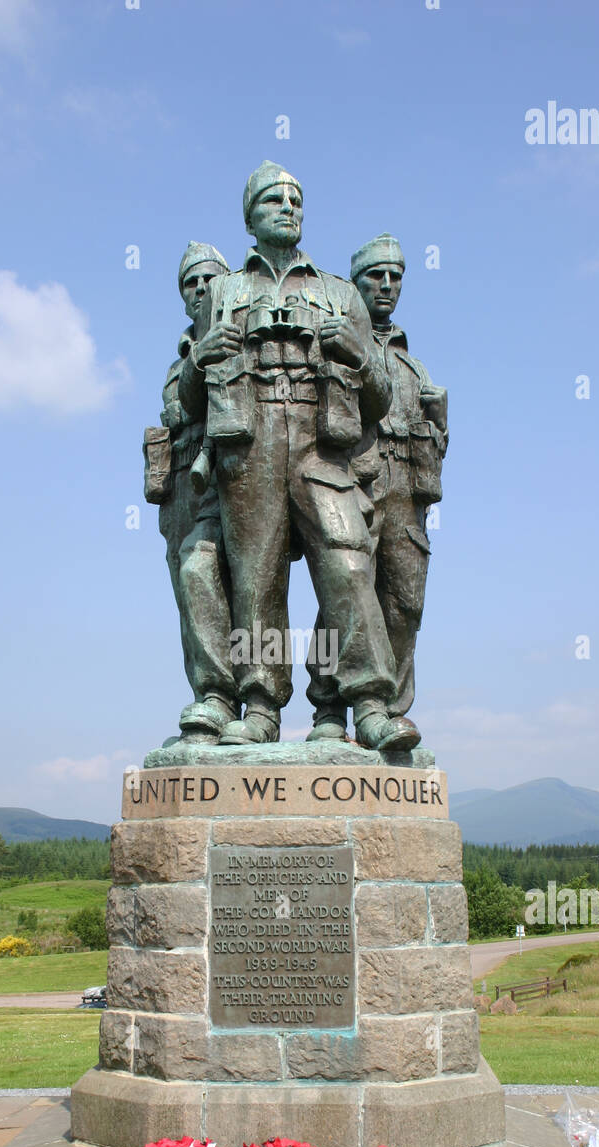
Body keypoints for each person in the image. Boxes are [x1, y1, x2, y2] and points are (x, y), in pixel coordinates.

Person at [178, 162, 419, 751]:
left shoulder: (339, 293)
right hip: (249, 444)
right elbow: (190, 404)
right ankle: (260, 705)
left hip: (320, 447)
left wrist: (360, 357)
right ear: (249, 216)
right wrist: (197, 360)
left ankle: (366, 702)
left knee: (348, 563)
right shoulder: (224, 292)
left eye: (296, 200)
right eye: (272, 201)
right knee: (256, 579)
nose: (287, 208)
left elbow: (380, 398)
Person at [306, 234, 448, 742]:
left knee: (405, 602)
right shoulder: (338, 339)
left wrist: (441, 419)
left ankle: (389, 710)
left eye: (396, 276)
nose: (387, 285)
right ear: (354, 282)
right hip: (356, 480)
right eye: (375, 275)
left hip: (408, 488)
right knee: (343, 591)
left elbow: (437, 440)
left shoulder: (414, 366)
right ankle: (328, 708)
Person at [143, 242, 239, 741]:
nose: (201, 290)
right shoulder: (178, 359)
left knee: (229, 584)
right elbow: (176, 415)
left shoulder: (240, 341)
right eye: (191, 283)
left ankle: (236, 697)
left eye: (209, 280)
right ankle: (210, 698)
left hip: (233, 480)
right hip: (182, 484)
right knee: (191, 593)